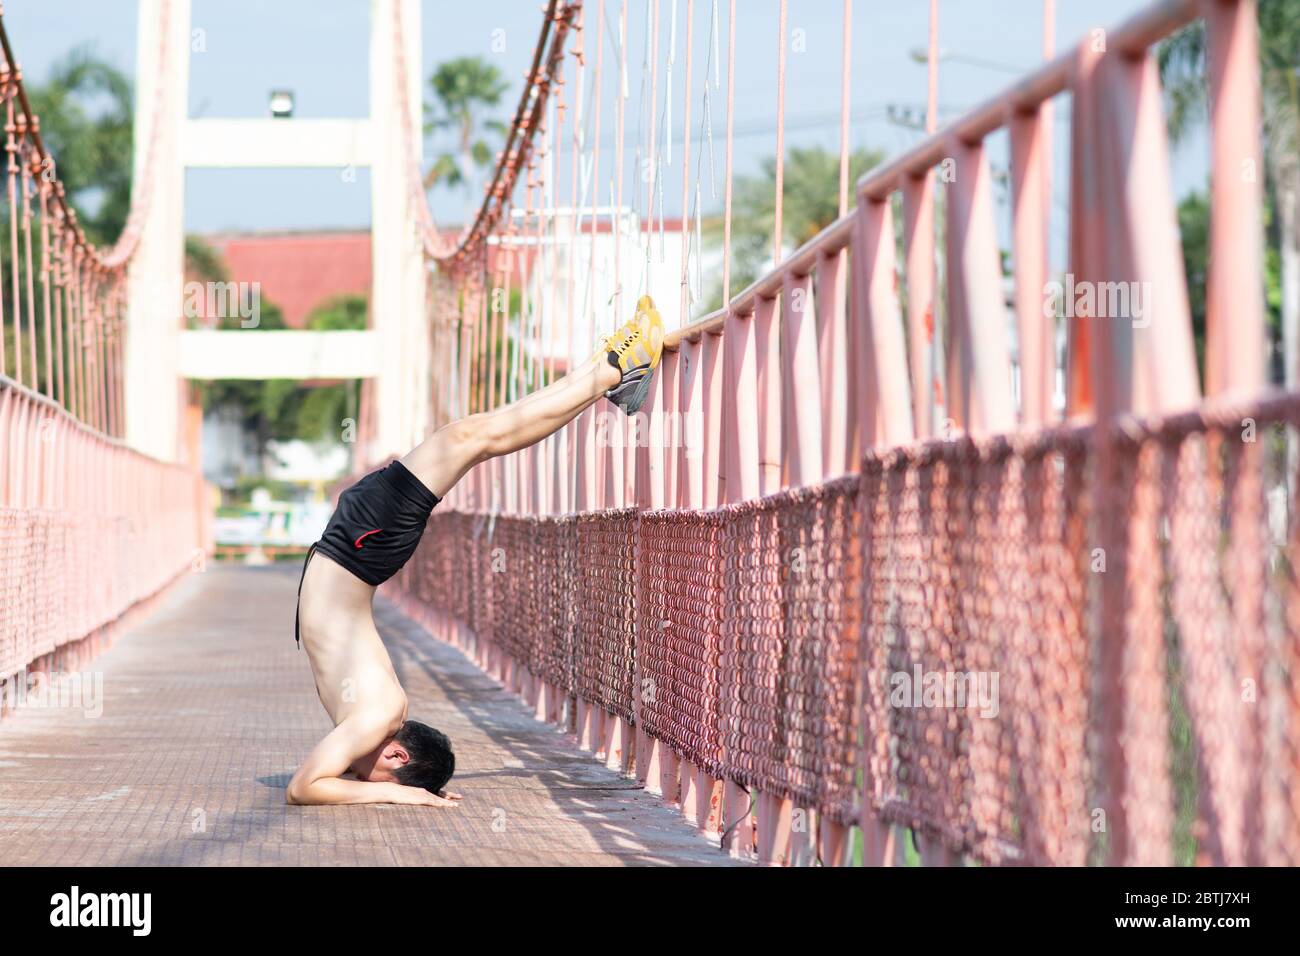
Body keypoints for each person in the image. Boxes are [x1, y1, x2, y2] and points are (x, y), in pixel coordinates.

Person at [285, 297, 664, 807]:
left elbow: (304, 788)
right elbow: (308, 787)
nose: (354, 778)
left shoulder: (376, 719)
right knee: (474, 436)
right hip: (357, 552)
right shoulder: (377, 718)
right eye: (378, 783)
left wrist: (405, 795)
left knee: (476, 436)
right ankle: (610, 371)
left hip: (354, 549)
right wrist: (407, 797)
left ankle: (610, 372)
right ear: (397, 757)